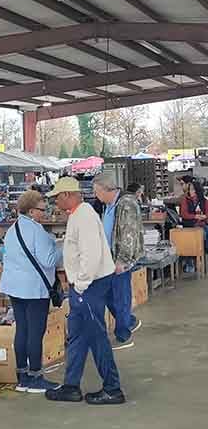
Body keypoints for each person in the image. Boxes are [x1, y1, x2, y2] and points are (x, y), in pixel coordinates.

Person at [44, 177, 125, 405]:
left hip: (89, 286)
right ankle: (71, 386)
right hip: (86, 285)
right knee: (78, 335)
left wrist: (80, 283)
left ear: (68, 195)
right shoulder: (79, 215)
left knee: (96, 336)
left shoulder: (84, 215)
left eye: (57, 197)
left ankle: (112, 388)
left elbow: (91, 254)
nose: (55, 203)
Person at [0, 190, 60, 394]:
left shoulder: (12, 230)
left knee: (22, 330)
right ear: (32, 211)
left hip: (14, 288)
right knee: (35, 333)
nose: (45, 213)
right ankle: (35, 377)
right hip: (34, 289)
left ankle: (22, 377)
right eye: (43, 209)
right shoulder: (37, 232)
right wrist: (60, 245)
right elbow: (49, 261)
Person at [93, 173, 144, 345]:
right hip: (107, 259)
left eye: (97, 191)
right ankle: (128, 321)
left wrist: (122, 261)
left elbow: (129, 234)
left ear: (106, 189)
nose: (95, 195)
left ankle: (123, 333)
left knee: (120, 296)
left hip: (119, 260)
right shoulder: (109, 204)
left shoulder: (126, 204)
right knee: (108, 295)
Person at [179, 179, 208, 272]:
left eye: (192, 189)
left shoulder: (204, 201)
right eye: (189, 189)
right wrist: (195, 216)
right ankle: (190, 262)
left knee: (204, 232)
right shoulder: (185, 200)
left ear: (197, 191)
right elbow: (183, 214)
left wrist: (203, 217)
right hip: (189, 225)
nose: (190, 192)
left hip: (201, 225)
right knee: (189, 239)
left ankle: (201, 256)